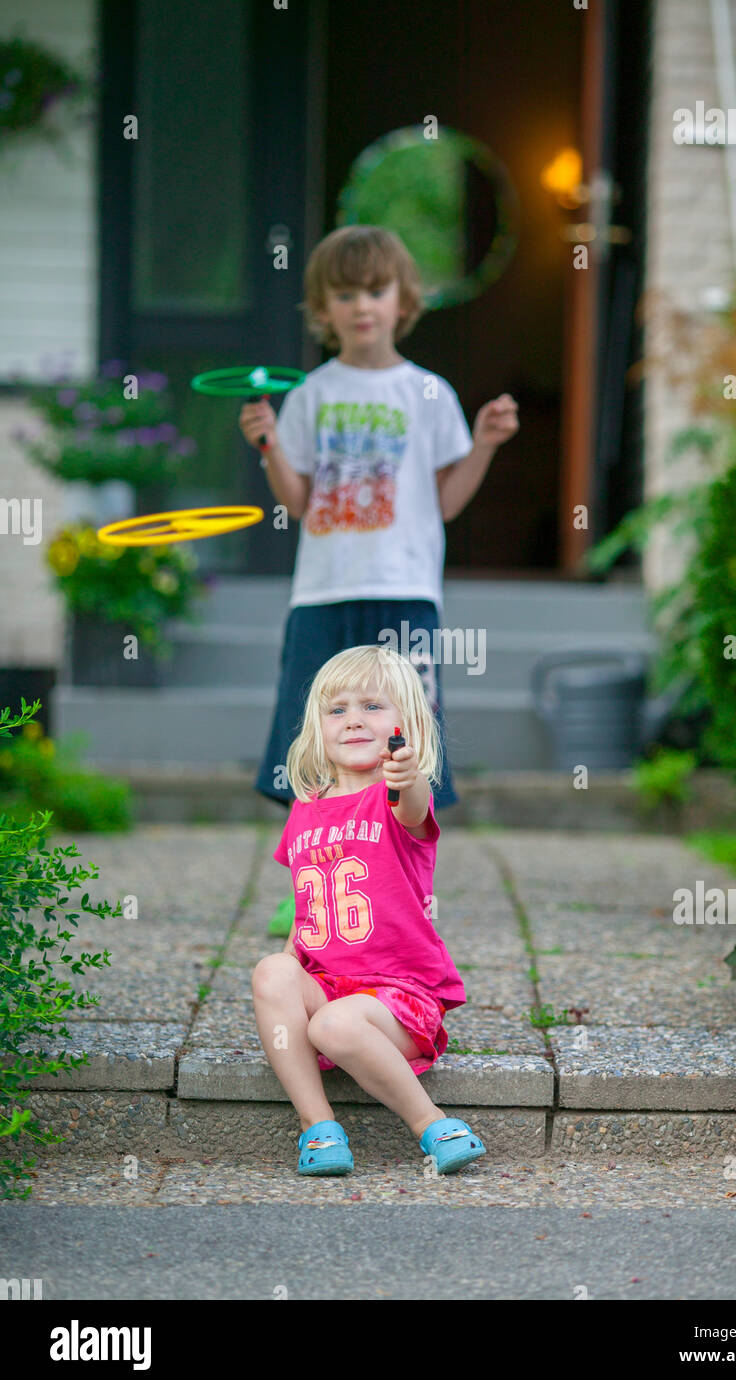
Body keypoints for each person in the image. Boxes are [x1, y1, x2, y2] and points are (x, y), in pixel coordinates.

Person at [239, 223, 518, 824]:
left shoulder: (429, 393)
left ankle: (403, 886)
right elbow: (296, 501)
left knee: (404, 744)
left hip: (405, 593)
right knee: (316, 739)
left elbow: (447, 503)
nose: (361, 306)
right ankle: (317, 892)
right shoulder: (311, 393)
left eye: (375, 290)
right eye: (344, 295)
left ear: (403, 300)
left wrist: (487, 444)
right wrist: (270, 448)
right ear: (322, 309)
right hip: (323, 594)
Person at [251, 643, 487, 1176]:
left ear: (407, 727)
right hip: (329, 985)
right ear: (318, 727)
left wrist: (408, 776)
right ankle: (319, 1129)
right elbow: (309, 908)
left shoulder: (394, 798)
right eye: (338, 710)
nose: (354, 720)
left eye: (372, 707)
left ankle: (432, 1123)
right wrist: (289, 970)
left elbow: (416, 804)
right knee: (272, 970)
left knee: (334, 1024)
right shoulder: (305, 809)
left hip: (399, 998)